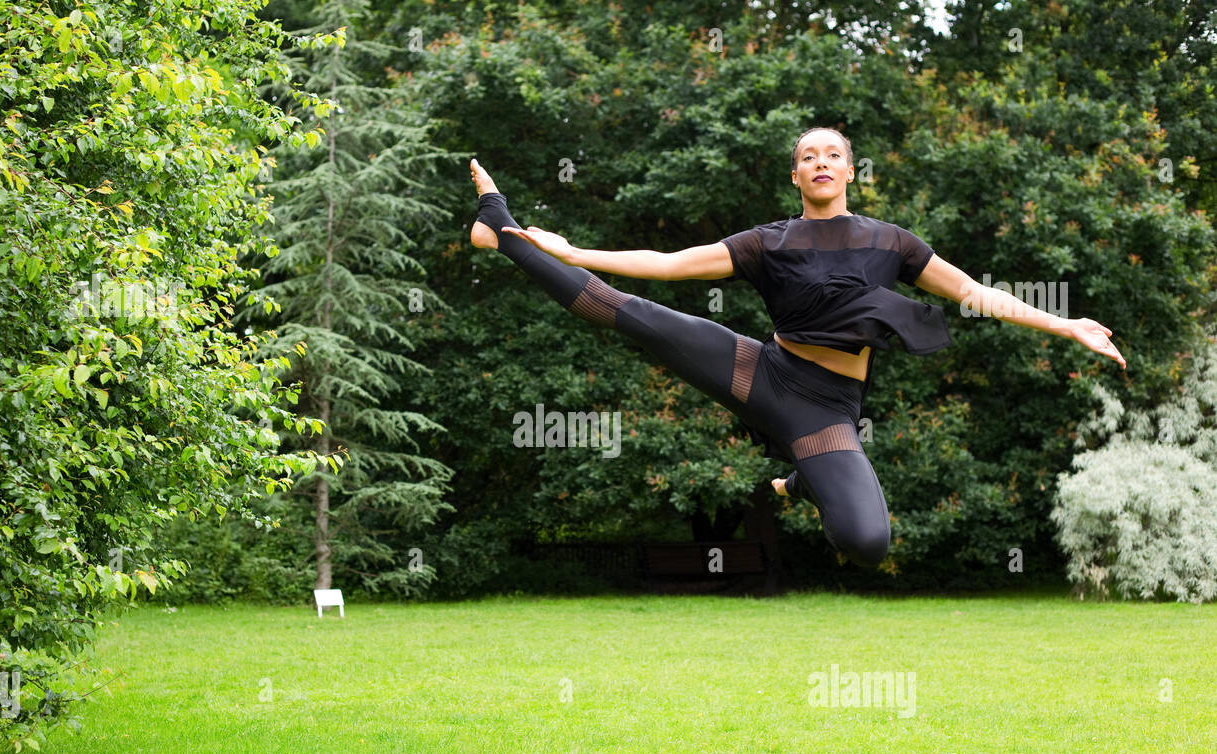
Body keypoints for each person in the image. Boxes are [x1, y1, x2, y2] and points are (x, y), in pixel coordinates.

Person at [468, 127, 1126, 569]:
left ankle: (802, 479)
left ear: (849, 170)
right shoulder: (768, 242)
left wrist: (1065, 325)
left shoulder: (890, 241)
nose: (820, 163)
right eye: (808, 156)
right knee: (632, 314)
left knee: (867, 544)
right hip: (765, 372)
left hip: (825, 411)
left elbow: (973, 294)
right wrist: (575, 250)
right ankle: (502, 229)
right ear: (796, 175)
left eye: (831, 155)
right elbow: (668, 264)